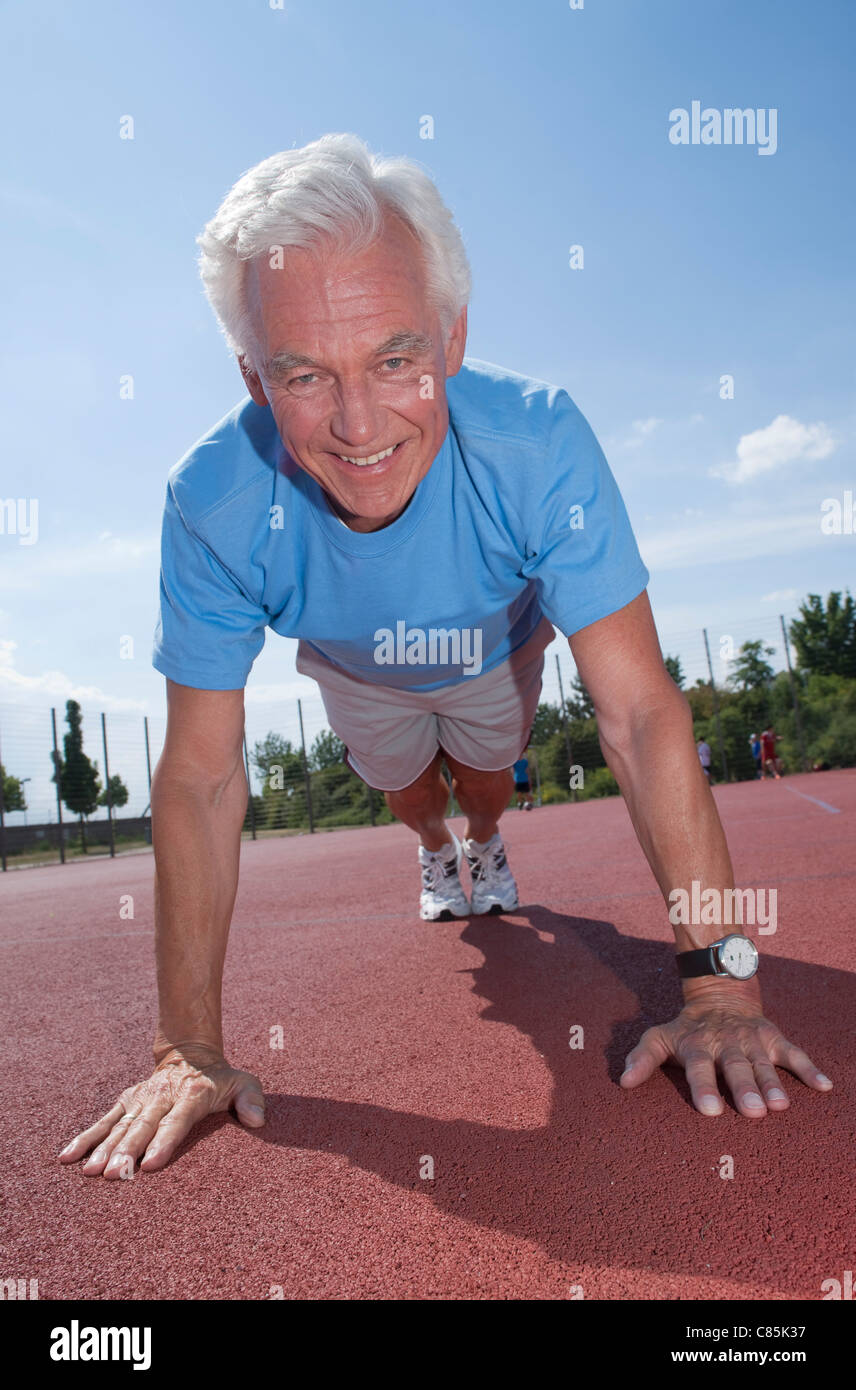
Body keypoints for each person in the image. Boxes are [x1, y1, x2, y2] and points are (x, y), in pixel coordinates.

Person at [59, 134, 832, 1182]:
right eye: (303, 375)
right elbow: (198, 776)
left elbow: (644, 719)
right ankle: (436, 849)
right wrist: (184, 1046)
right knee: (407, 796)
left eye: (394, 358)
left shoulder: (541, 443)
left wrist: (724, 988)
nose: (359, 422)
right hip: (355, 671)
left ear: (454, 336)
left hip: (493, 654)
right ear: (251, 376)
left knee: (481, 785)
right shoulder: (211, 502)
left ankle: (479, 839)